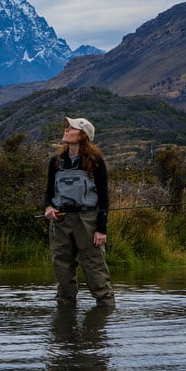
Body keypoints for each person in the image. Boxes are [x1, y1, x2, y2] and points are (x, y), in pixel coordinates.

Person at [43, 117, 115, 308]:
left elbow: (104, 198)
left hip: (87, 220)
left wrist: (101, 229)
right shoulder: (56, 162)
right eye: (66, 127)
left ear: (82, 135)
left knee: (95, 269)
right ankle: (65, 323)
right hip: (60, 221)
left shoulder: (96, 162)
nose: (66, 130)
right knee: (62, 271)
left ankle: (104, 318)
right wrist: (49, 209)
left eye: (70, 128)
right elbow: (49, 194)